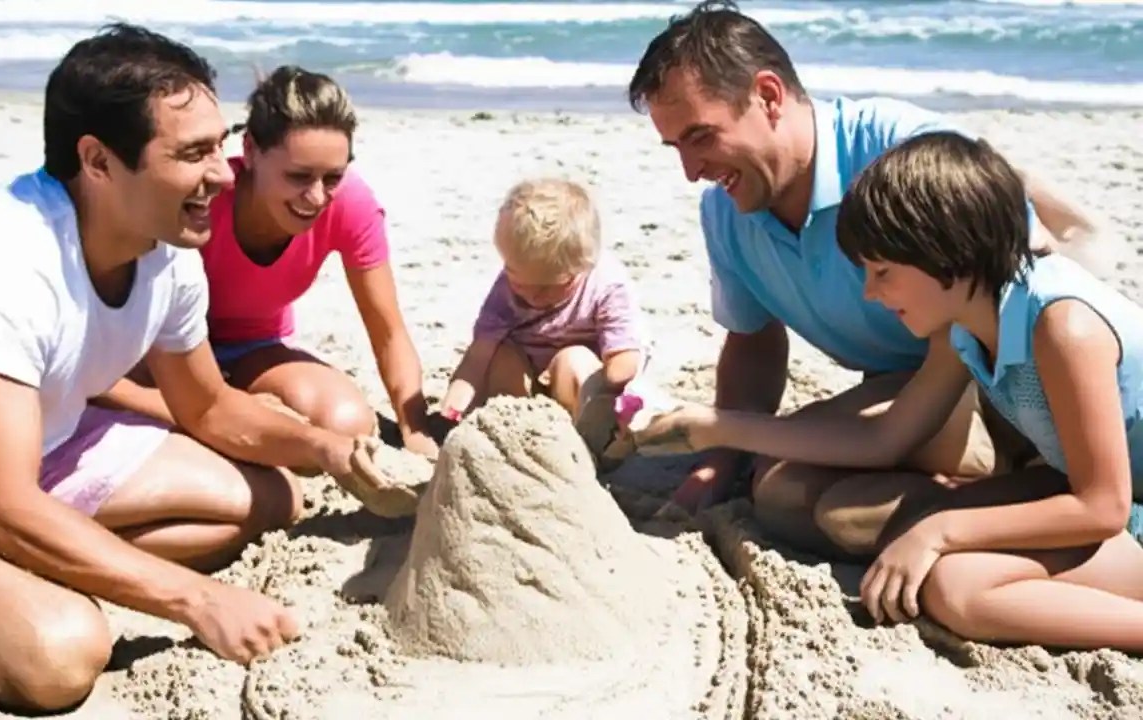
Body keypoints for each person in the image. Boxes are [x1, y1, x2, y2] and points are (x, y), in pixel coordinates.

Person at [0, 25, 398, 712]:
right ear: (99, 160)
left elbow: (208, 408)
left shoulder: (167, 248)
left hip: (40, 447)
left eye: (220, 143)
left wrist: (328, 449)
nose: (221, 172)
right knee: (62, 653)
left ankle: (10, 562)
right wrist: (197, 600)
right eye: (193, 153)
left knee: (271, 499)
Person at [625, 0, 1107, 555]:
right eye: (676, 147)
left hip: (999, 379)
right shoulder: (726, 212)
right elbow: (753, 342)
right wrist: (717, 462)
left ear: (768, 96)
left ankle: (1032, 496)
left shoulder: (900, 150)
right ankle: (991, 505)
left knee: (812, 494)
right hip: (900, 391)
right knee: (784, 495)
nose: (690, 172)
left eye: (701, 137)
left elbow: (1030, 271)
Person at [636, 131, 1143, 651]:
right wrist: (714, 427)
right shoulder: (967, 322)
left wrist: (939, 533)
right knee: (870, 518)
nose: (871, 294)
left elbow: (1102, 506)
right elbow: (884, 440)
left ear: (951, 256)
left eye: (882, 272)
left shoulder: (1063, 327)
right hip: (1086, 493)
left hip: (1119, 510)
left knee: (956, 587)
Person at [100, 66, 438, 458]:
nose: (316, 197)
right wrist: (217, 408)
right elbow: (110, 340)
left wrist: (415, 430)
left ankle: (227, 408)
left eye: (333, 177)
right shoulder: (198, 201)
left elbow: (389, 332)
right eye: (298, 176)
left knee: (346, 424)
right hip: (155, 352)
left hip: (252, 349)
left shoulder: (351, 204)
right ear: (250, 151)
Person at [440, 177, 651, 428]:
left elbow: (624, 360)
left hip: (581, 392)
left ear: (582, 267)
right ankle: (514, 428)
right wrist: (453, 409)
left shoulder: (605, 283)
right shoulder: (506, 289)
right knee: (501, 357)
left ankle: (583, 437)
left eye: (549, 287)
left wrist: (612, 378)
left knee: (572, 361)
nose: (533, 297)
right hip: (526, 382)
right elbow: (478, 356)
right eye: (520, 282)